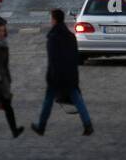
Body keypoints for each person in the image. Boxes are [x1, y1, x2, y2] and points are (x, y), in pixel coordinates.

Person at [31, 8, 94, 136]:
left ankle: (41, 127)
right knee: (77, 99)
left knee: (48, 100)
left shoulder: (53, 37)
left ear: (54, 20)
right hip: (70, 74)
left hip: (57, 76)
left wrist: (51, 76)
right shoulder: (70, 36)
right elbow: (75, 55)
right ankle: (88, 124)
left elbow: (53, 59)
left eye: (51, 18)